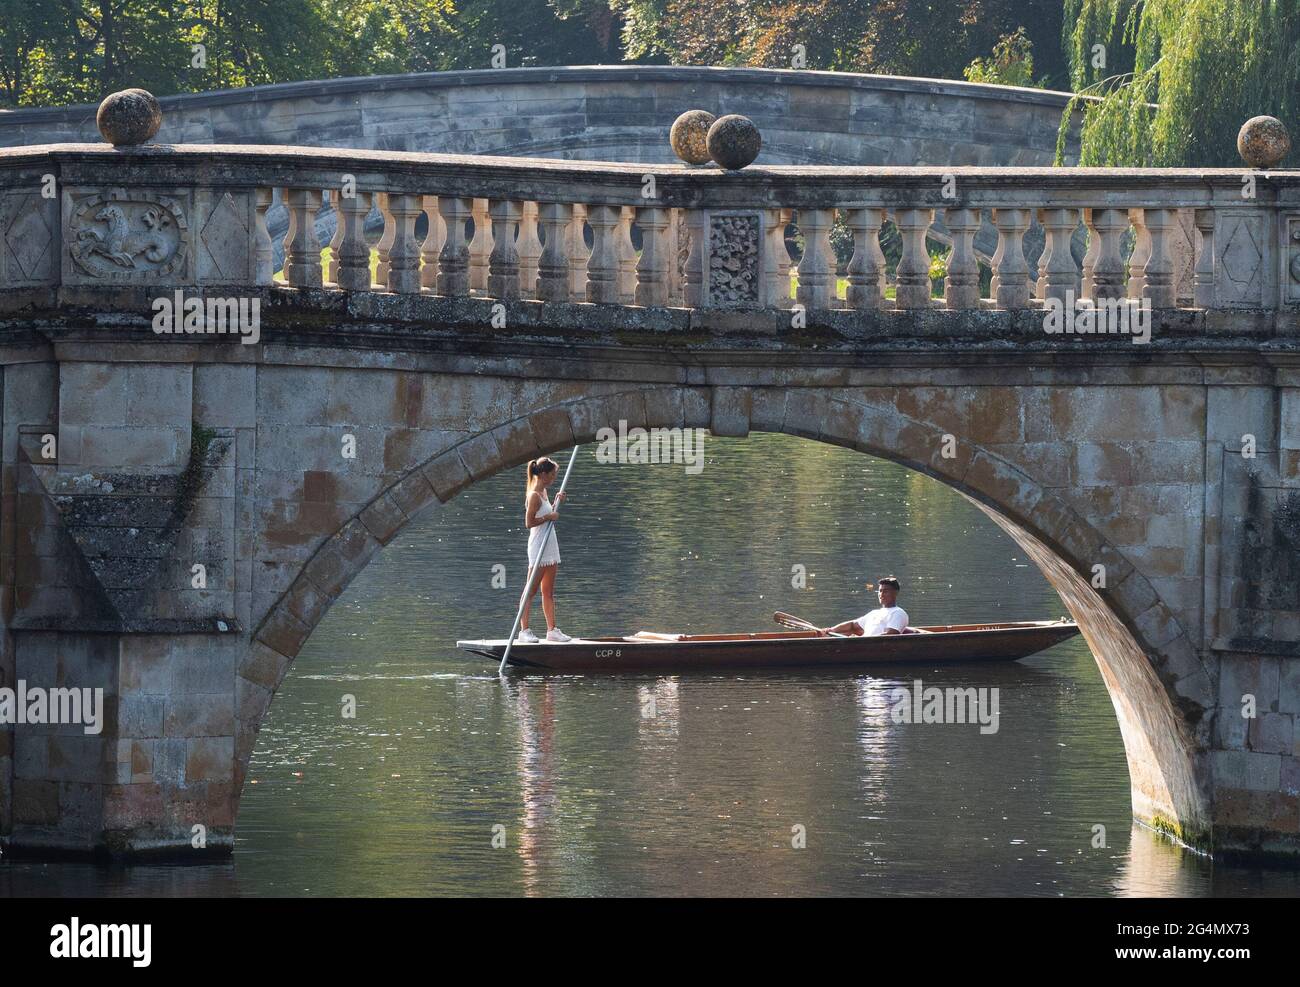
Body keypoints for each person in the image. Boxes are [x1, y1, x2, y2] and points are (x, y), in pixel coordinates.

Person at [517, 457, 573, 643]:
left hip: (550, 545)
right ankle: (524, 631)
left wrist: (557, 501)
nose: (554, 477)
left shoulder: (545, 492)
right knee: (530, 591)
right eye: (552, 474)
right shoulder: (533, 495)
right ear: (543, 474)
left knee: (548, 591)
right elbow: (529, 522)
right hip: (538, 546)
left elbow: (549, 512)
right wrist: (549, 516)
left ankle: (552, 631)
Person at [820, 576, 909, 637]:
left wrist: (860, 640)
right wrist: (831, 630)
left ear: (895, 593)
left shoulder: (898, 613)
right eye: (880, 591)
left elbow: (890, 636)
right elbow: (852, 625)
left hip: (873, 646)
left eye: (885, 591)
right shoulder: (874, 613)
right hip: (864, 643)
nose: (881, 594)